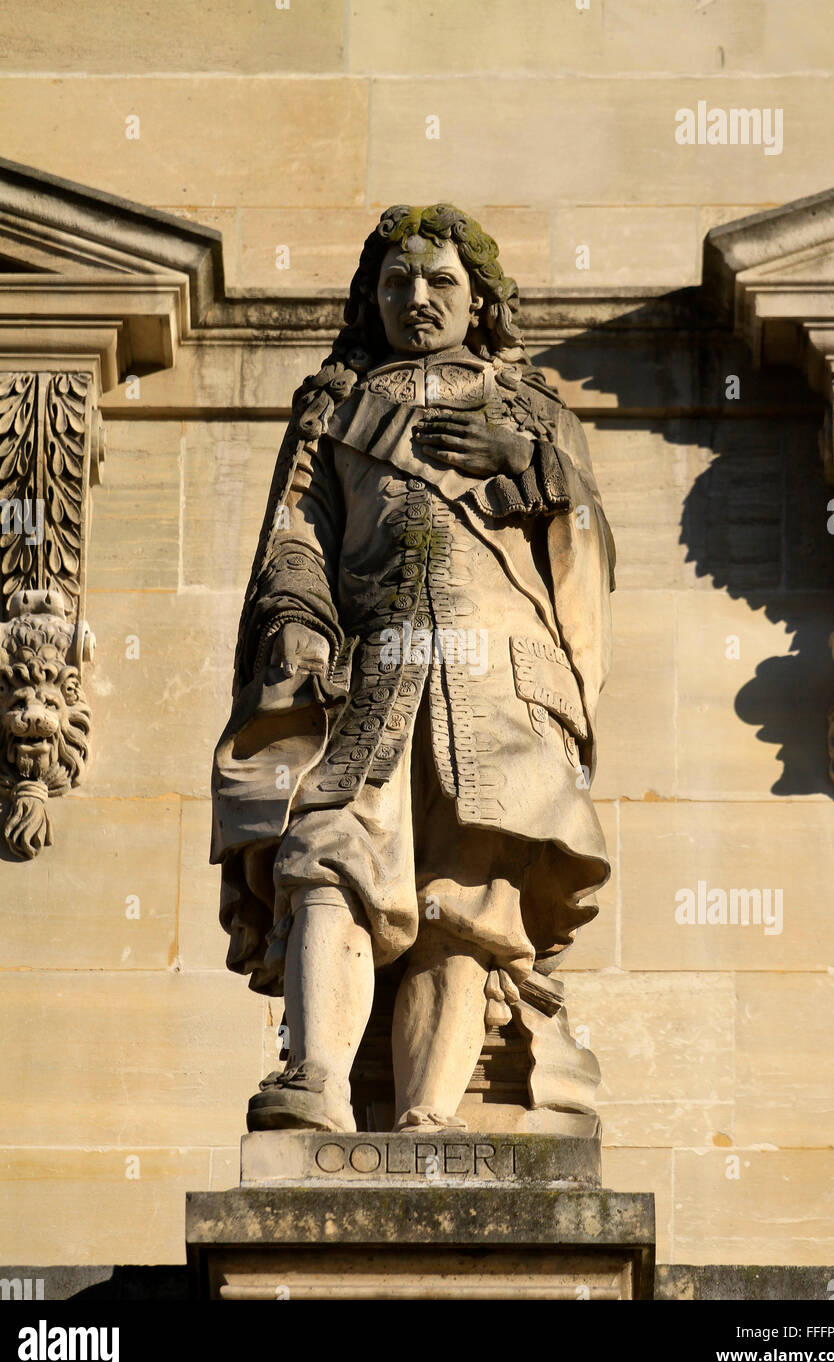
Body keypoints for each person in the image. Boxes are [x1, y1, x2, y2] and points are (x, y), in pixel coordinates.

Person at [211, 204, 615, 1134]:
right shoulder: (332, 406)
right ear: (372, 299)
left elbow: (588, 558)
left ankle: (430, 1117)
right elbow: (295, 537)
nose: (417, 297)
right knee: (323, 852)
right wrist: (297, 620)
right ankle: (313, 1079)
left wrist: (532, 465)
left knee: (466, 896)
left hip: (500, 682)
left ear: (480, 302)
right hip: (365, 673)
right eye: (395, 282)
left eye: (440, 281)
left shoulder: (536, 411)